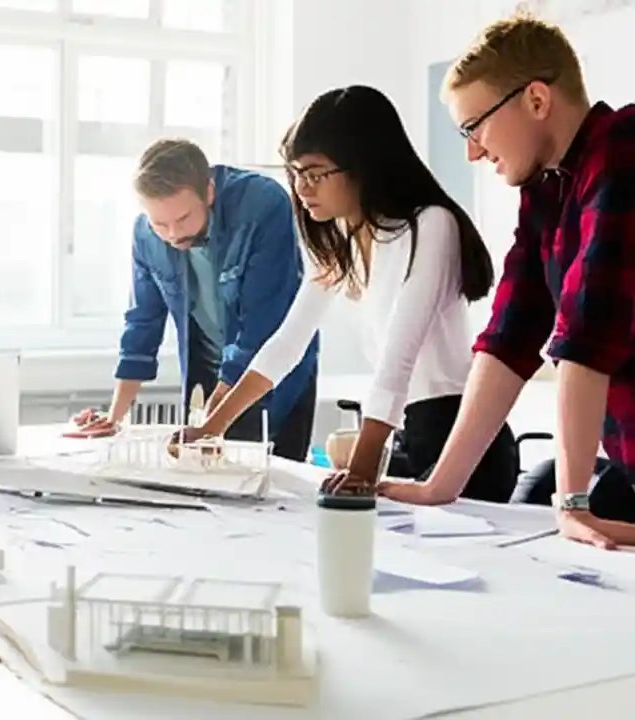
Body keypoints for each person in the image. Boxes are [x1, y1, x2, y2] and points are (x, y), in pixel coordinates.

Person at [379, 14, 635, 548]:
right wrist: (439, 486)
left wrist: (572, 504)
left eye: (476, 127)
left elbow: (585, 335)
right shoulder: (546, 189)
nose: (472, 150)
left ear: (536, 100)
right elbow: (511, 333)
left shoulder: (624, 151)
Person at [188, 87, 518, 502]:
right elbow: (287, 344)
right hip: (408, 435)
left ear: (362, 164)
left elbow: (401, 353)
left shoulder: (430, 225)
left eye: (314, 173)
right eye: (295, 175)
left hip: (462, 441)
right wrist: (210, 429)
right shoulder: (343, 241)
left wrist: (363, 465)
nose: (302, 188)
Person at [70, 138, 319, 462]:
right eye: (160, 223)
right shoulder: (145, 235)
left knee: (272, 492)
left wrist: (214, 422)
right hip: (206, 374)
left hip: (273, 377)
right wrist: (115, 417)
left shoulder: (263, 206)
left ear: (209, 192)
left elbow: (262, 325)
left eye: (184, 219)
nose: (173, 234)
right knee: (201, 485)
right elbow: (142, 322)